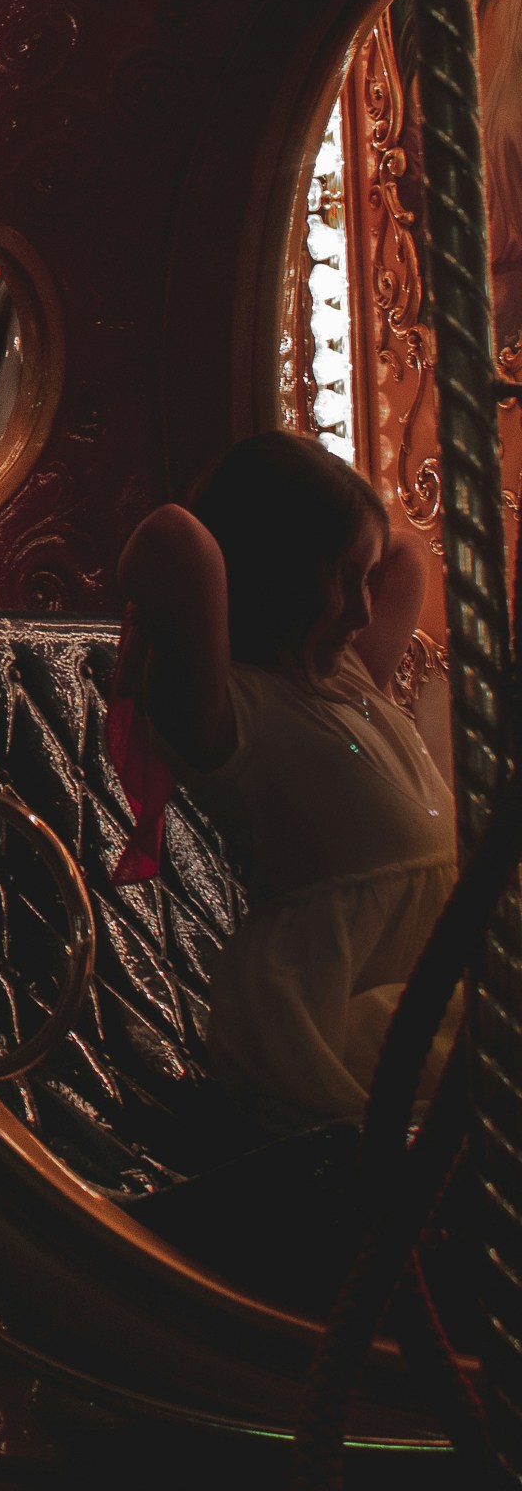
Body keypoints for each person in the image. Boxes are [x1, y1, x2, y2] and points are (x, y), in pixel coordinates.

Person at [116, 434, 450, 1131]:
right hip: (334, 1011)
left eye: (365, 581)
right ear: (280, 575)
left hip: (433, 973)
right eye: (342, 580)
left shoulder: (349, 672)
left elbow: (405, 554)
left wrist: (347, 537)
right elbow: (172, 539)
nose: (364, 611)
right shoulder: (228, 714)